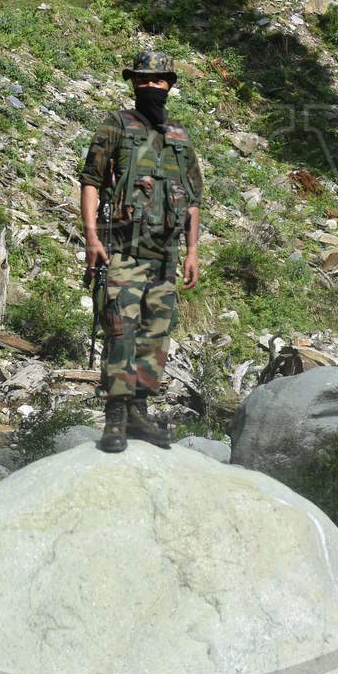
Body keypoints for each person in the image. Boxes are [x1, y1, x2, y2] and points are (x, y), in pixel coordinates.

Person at [77, 51, 204, 452]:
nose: (151, 86)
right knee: (121, 331)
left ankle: (139, 412)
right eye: (144, 80)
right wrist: (92, 238)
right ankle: (115, 417)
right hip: (124, 250)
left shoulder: (180, 137)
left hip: (165, 256)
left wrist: (192, 251)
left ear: (169, 84)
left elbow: (193, 201)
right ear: (134, 83)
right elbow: (91, 181)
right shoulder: (116, 125)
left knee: (155, 336)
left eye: (158, 80)